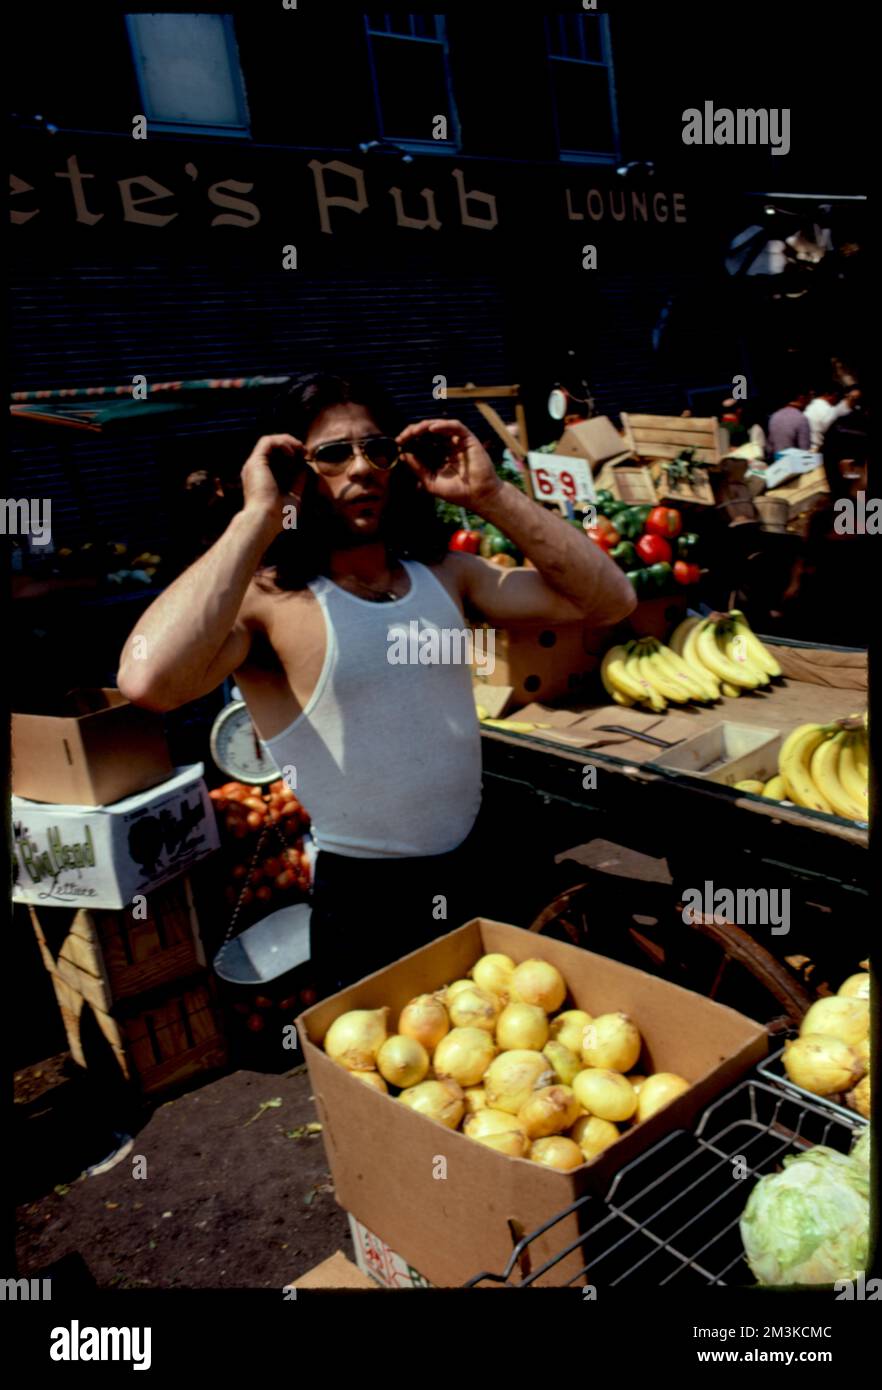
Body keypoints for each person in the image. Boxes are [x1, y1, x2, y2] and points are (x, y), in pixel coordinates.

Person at [117, 371, 635, 995]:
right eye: (333, 454)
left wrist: (492, 495)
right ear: (293, 471)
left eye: (377, 449)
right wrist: (257, 516)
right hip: (366, 901)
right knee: (387, 1078)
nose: (361, 468)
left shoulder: (445, 574)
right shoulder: (268, 604)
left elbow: (609, 600)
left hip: (483, 863)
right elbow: (148, 679)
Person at [766, 385, 812, 458]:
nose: (809, 403)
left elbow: (769, 448)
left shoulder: (774, 416)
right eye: (809, 398)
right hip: (794, 465)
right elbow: (805, 451)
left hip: (777, 464)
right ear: (801, 398)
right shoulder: (801, 418)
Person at [803, 383, 842, 451]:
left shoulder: (807, 406)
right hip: (818, 449)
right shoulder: (830, 410)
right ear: (827, 394)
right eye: (836, 396)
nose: (837, 400)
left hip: (802, 447)